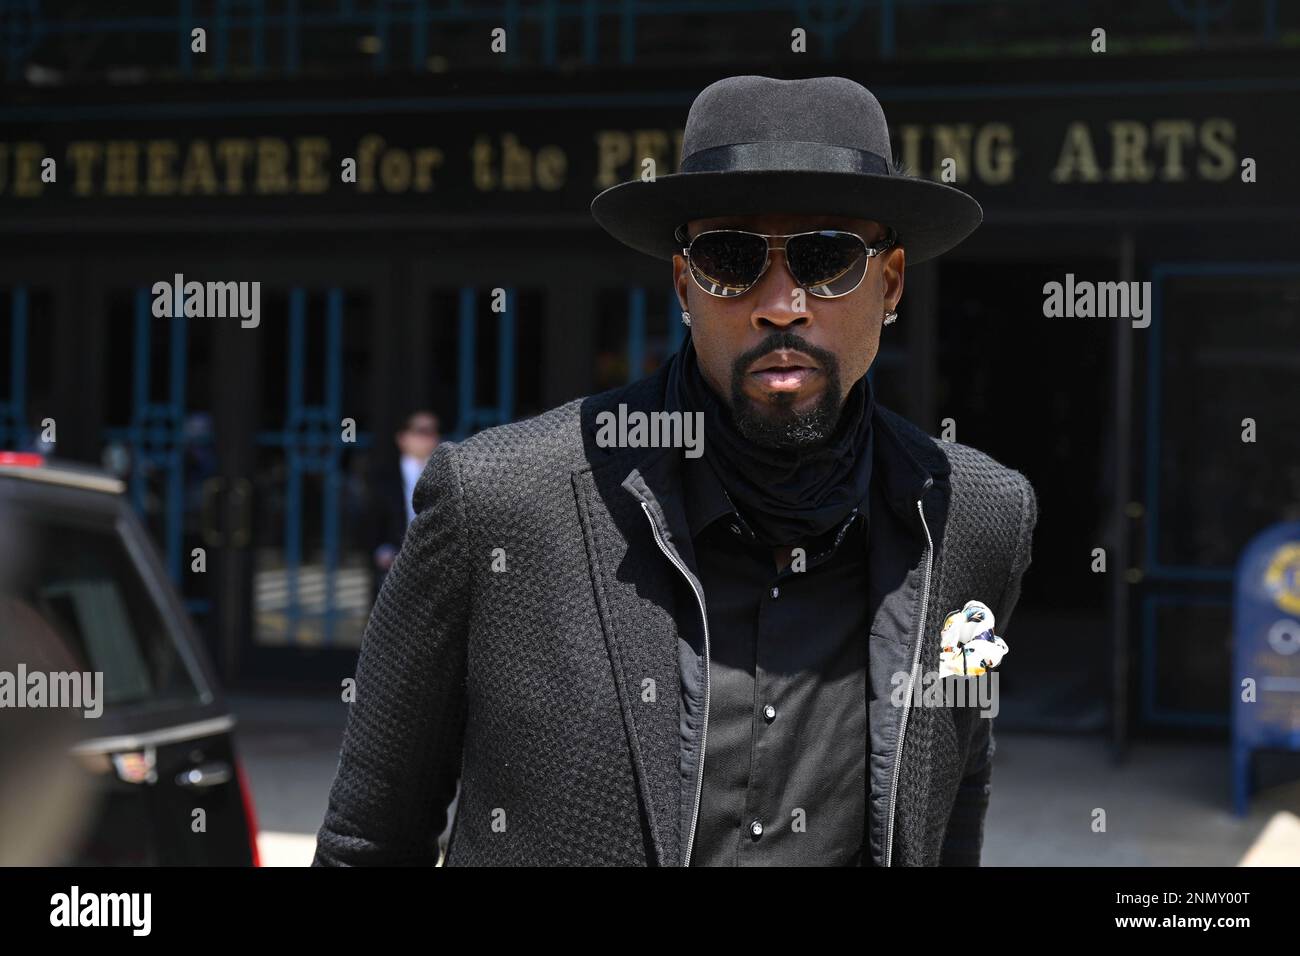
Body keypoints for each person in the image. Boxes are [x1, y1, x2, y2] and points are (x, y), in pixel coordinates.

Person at [314, 75, 1037, 867]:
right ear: (684, 283)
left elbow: (954, 789)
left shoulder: (974, 518)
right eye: (731, 258)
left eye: (828, 258)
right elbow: (369, 840)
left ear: (891, 282)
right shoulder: (497, 503)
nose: (782, 303)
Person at [368, 410, 440, 603]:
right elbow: (372, 522)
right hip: (394, 567)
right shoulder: (384, 477)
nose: (427, 437)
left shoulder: (446, 477)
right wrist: (382, 551)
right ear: (403, 438)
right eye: (420, 430)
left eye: (432, 431)